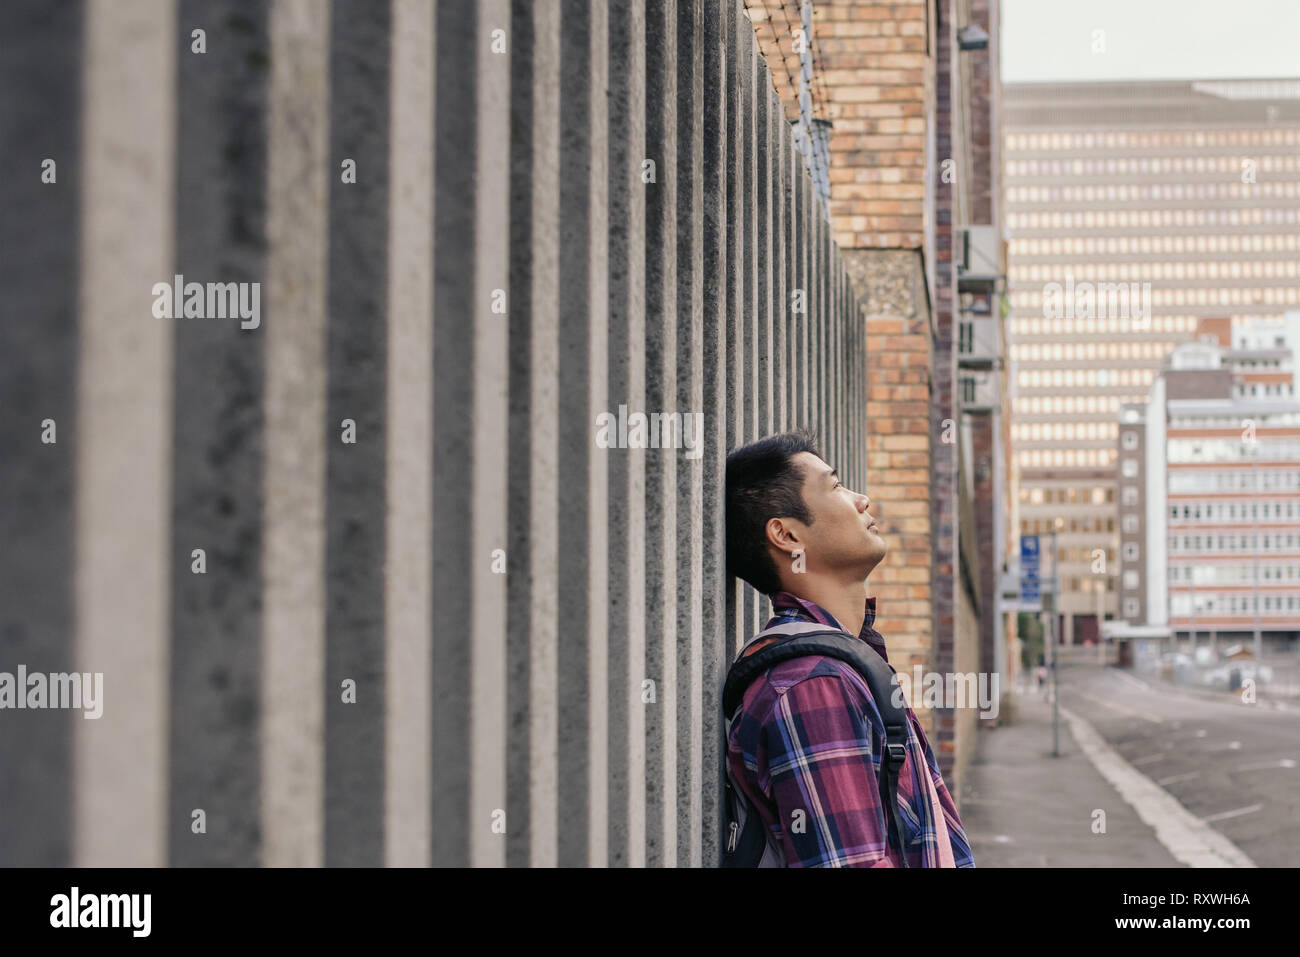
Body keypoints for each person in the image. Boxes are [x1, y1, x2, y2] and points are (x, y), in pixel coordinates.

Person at [724, 431, 975, 867]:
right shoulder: (812, 684)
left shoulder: (845, 663)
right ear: (786, 535)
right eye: (836, 486)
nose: (862, 499)